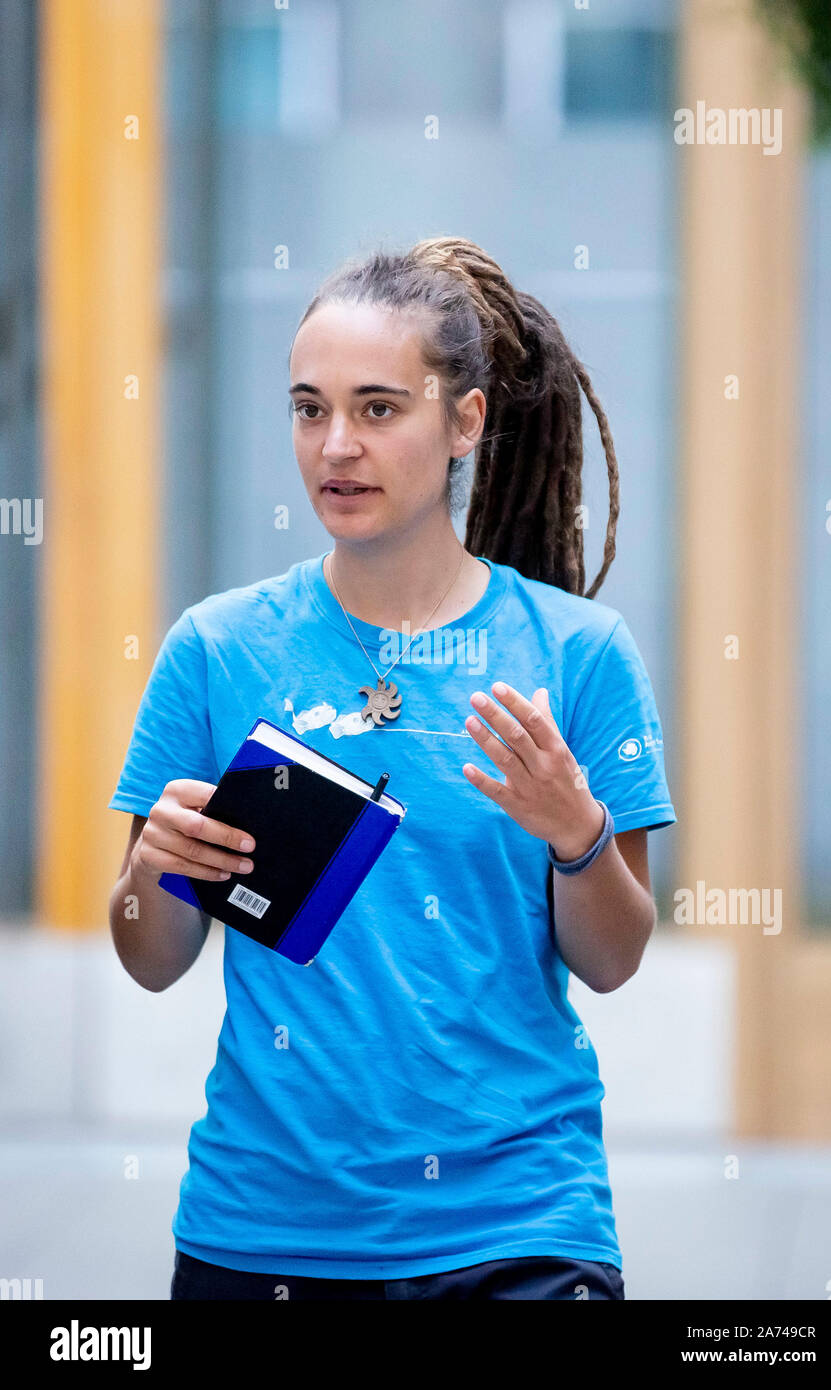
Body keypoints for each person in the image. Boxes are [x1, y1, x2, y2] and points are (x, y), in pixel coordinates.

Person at [107, 236, 676, 1302]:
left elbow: (611, 959)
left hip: (519, 1230)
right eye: (307, 407)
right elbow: (147, 957)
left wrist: (575, 830)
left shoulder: (577, 655)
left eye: (377, 408)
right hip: (262, 1234)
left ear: (462, 421)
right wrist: (155, 869)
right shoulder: (218, 649)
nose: (335, 446)